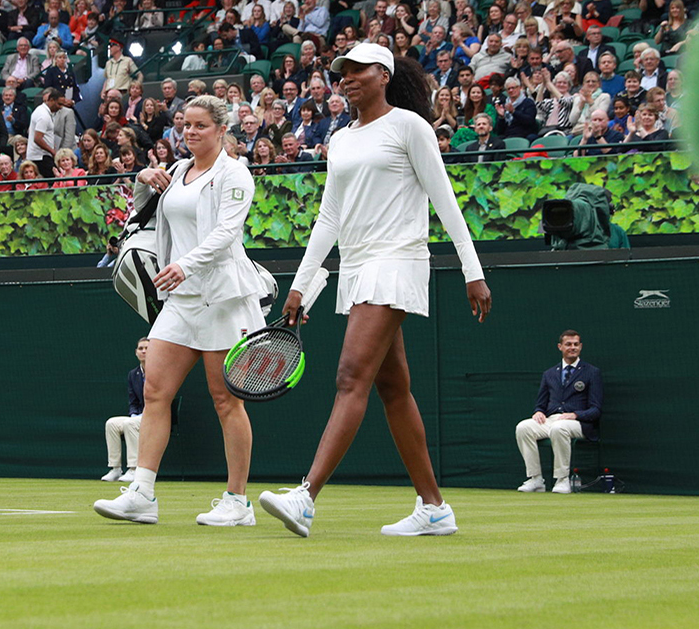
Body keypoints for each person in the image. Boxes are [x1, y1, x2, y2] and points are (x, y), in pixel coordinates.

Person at [256, 44, 491, 538]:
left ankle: (306, 496)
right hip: (357, 267)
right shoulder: (340, 140)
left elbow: (445, 202)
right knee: (393, 387)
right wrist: (299, 285)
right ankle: (434, 508)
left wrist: (473, 269)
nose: (347, 78)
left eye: (358, 70)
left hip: (397, 262)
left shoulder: (410, 126)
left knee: (350, 375)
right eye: (342, 72)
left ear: (383, 75)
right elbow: (329, 219)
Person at [93, 95, 271, 527]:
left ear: (221, 129)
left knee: (225, 401)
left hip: (223, 298)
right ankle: (142, 493)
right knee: (155, 392)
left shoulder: (236, 174)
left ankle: (238, 502)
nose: (190, 132)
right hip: (181, 300)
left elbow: (228, 232)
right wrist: (141, 178)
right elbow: (141, 215)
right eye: (185, 125)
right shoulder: (174, 172)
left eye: (199, 126)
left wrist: (184, 265)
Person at [514, 330, 604, 493]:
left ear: (581, 347)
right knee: (523, 427)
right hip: (552, 420)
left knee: (559, 428)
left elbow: (596, 409)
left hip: (579, 423)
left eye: (576, 344)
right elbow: (540, 404)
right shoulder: (549, 374)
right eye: (568, 344)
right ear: (560, 347)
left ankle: (562, 480)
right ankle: (536, 479)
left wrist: (576, 414)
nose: (573, 348)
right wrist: (538, 412)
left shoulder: (591, 372)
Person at [101, 338, 149, 483]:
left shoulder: (162, 372)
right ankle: (115, 469)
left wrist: (138, 418)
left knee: (130, 424)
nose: (144, 351)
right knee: (112, 423)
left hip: (157, 418)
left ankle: (134, 469)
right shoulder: (133, 375)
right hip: (139, 417)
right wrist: (134, 414)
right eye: (141, 348)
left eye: (147, 348)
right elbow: (133, 402)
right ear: (136, 352)